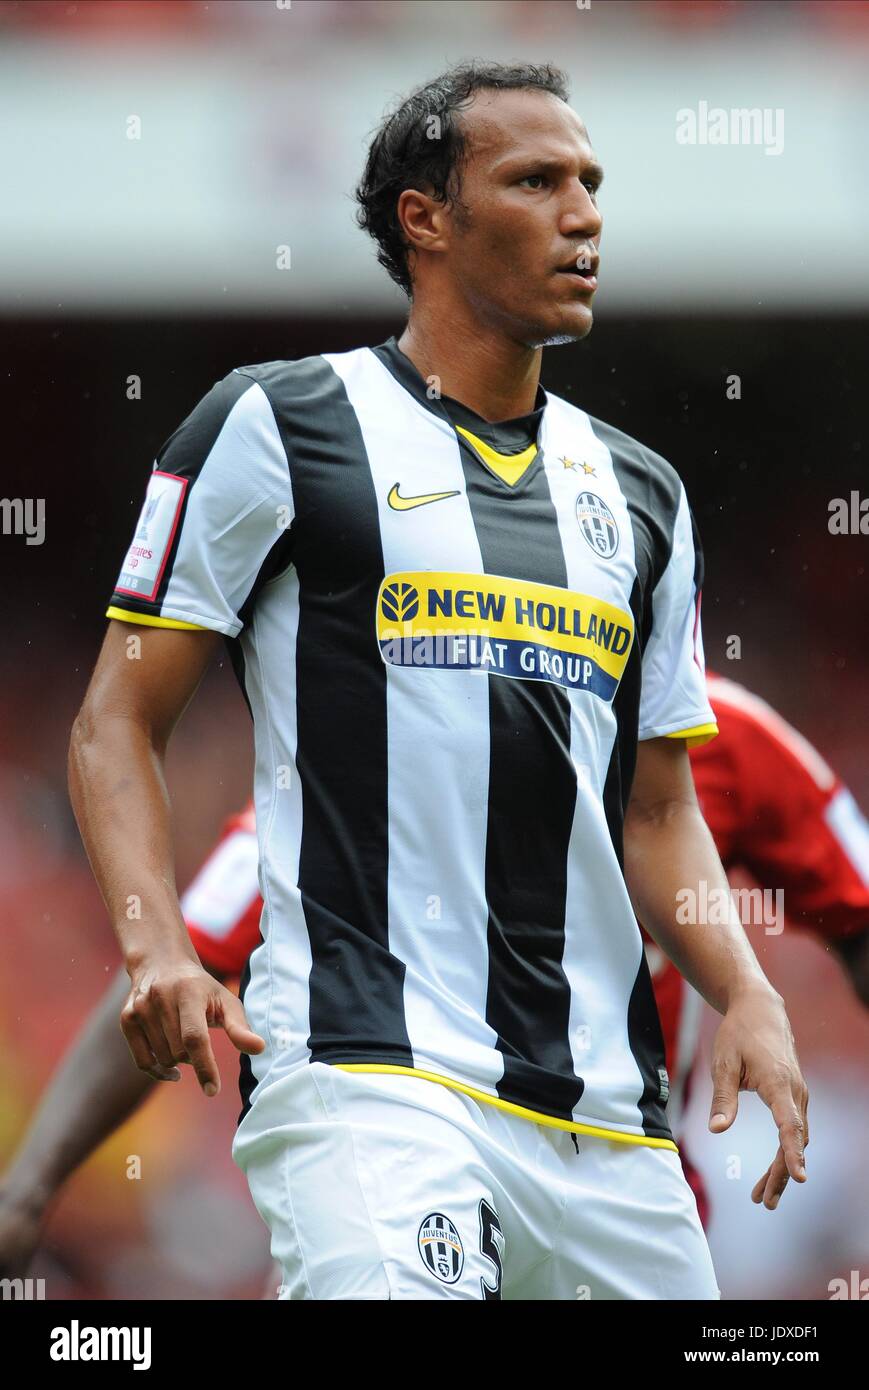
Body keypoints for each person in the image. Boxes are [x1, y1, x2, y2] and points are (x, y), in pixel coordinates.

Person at [66, 61, 807, 1300]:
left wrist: (747, 992)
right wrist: (154, 949)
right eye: (535, 180)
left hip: (610, 1127)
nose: (584, 214)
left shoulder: (641, 495)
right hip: (369, 1081)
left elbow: (658, 808)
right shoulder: (278, 425)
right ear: (425, 219)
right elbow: (113, 722)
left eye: (589, 183)